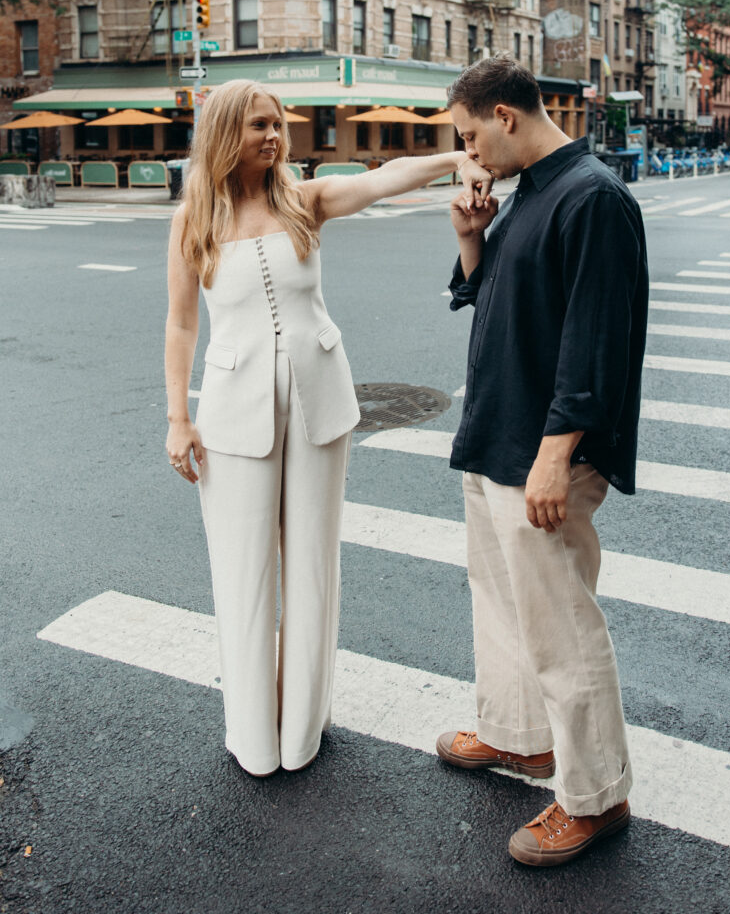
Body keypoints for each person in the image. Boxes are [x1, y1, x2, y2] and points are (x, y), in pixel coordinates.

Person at [165, 78, 493, 777]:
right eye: (258, 124)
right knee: (242, 572)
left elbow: (383, 180)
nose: (274, 135)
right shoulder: (195, 216)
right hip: (229, 413)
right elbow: (181, 322)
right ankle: (254, 736)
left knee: (314, 565)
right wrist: (177, 417)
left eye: (278, 123)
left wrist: (450, 160)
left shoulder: (304, 199)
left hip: (319, 404)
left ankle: (303, 729)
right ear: (226, 131)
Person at [436, 54, 648, 867]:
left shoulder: (592, 196)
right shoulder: (527, 190)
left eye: (470, 136)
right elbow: (497, 300)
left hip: (541, 449)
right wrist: (470, 238)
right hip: (498, 433)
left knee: (561, 625)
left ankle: (597, 796)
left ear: (507, 117)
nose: (469, 155)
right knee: (501, 604)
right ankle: (520, 736)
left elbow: (596, 340)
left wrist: (558, 455)